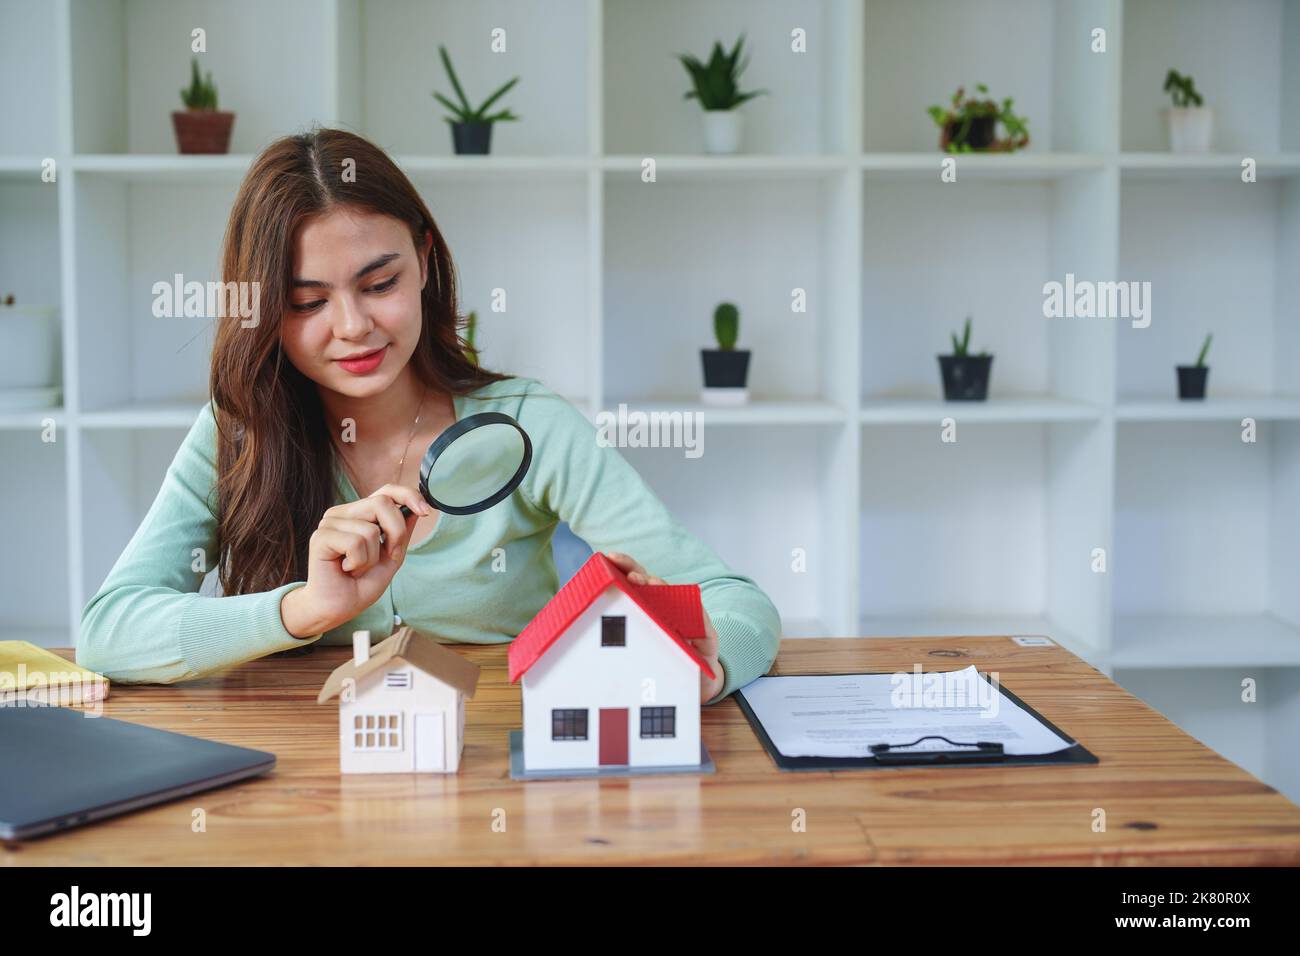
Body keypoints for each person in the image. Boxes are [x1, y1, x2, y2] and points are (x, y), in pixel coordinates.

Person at [78, 128, 781, 704]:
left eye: (379, 283)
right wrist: (307, 610)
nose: (353, 325)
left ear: (423, 259)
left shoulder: (529, 423)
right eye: (307, 301)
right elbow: (108, 632)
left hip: (498, 776)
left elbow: (738, 604)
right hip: (297, 781)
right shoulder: (237, 431)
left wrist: (706, 671)